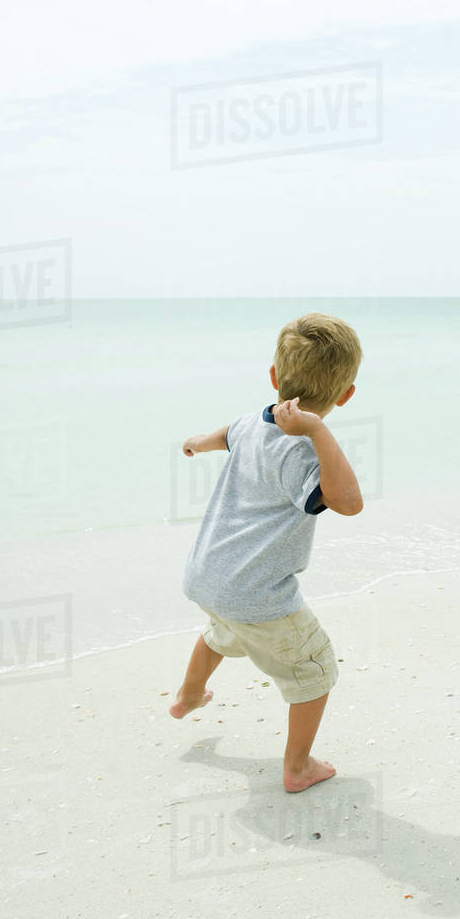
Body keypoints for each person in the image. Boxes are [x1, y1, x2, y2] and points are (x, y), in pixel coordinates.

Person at [169, 312, 364, 793]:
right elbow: (348, 503)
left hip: (207, 576)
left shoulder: (250, 424)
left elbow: (227, 433)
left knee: (223, 629)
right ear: (346, 395)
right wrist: (318, 432)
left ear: (275, 378)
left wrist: (199, 442)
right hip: (257, 593)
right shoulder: (303, 452)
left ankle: (190, 694)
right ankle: (298, 768)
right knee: (315, 672)